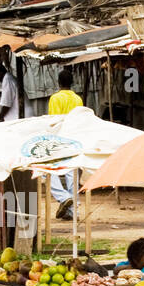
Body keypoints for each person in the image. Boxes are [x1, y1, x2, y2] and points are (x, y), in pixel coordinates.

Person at [47, 68, 84, 219]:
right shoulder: (78, 99)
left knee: (47, 172)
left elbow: (53, 121)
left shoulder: (55, 98)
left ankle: (63, 198)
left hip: (59, 140)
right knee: (72, 175)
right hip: (74, 140)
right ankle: (72, 211)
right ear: (72, 83)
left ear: (59, 82)